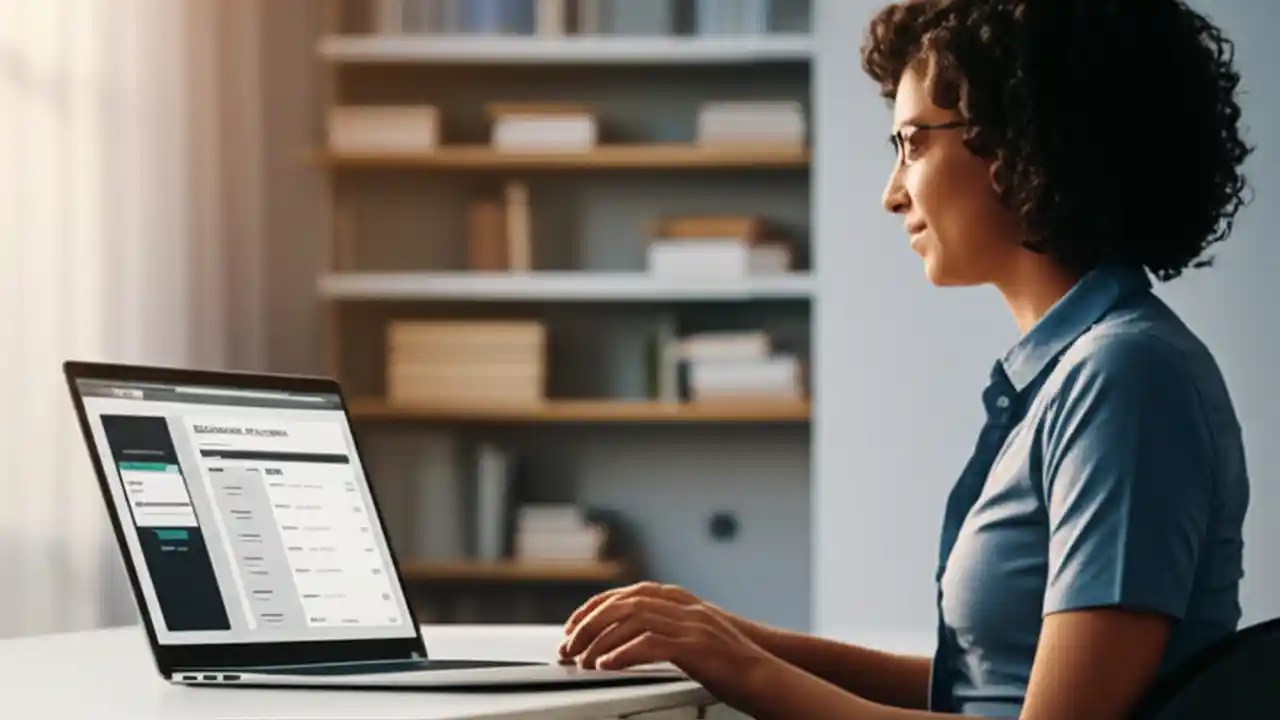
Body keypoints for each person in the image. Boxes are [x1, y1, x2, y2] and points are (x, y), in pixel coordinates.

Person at [556, 1, 1254, 718]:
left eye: (914, 144)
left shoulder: (1126, 379)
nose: (893, 193)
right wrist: (726, 636)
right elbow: (982, 691)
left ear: (1023, 141)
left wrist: (744, 669)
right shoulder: (1079, 371)